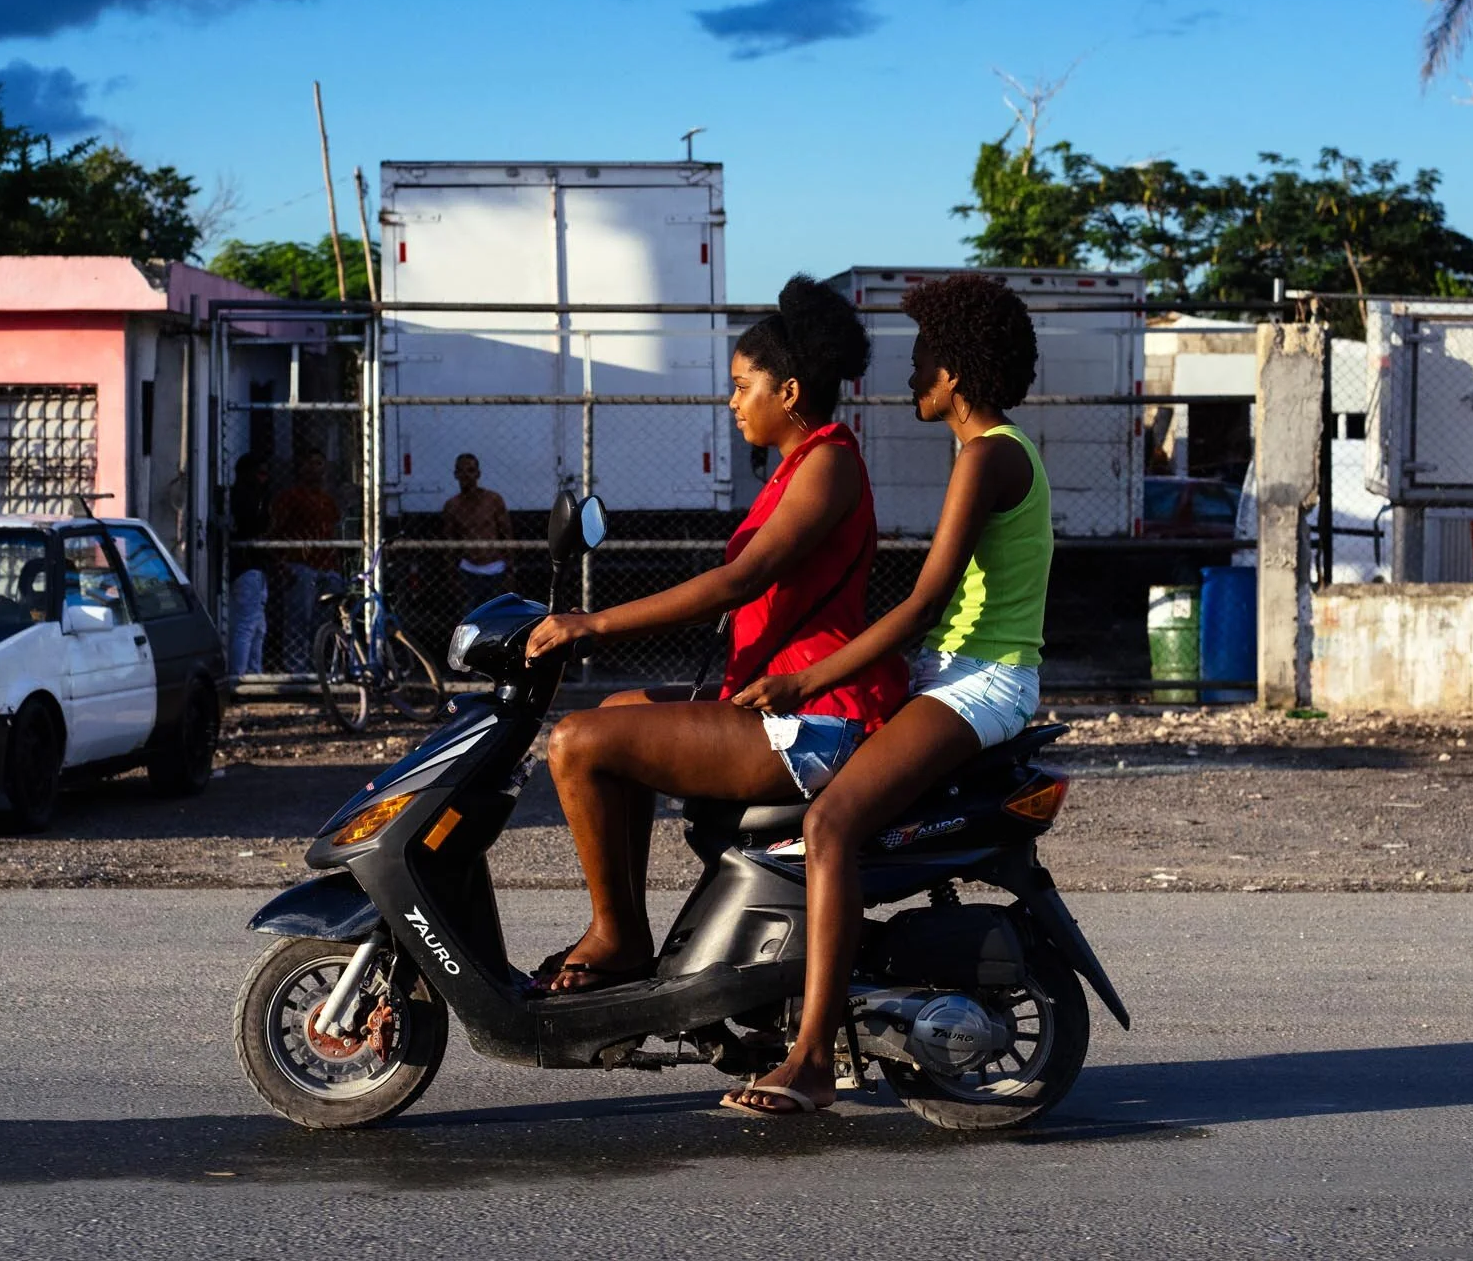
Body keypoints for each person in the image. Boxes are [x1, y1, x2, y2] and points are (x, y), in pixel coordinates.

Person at [524, 276, 907, 993]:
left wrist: (594, 621)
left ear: (788, 392)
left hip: (817, 715)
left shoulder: (827, 464)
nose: (732, 402)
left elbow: (738, 582)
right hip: (776, 697)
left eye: (741, 386)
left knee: (574, 742)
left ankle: (616, 936)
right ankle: (624, 930)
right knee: (615, 713)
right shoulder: (799, 466)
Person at [723, 272, 1048, 1116]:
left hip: (982, 684)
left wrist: (807, 677)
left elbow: (924, 602)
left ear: (957, 372)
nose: (912, 374)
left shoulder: (988, 456)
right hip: (952, 673)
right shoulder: (990, 452)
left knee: (832, 823)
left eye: (924, 358)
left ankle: (811, 1061)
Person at [270, 449, 342, 672]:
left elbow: (332, 531)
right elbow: (275, 530)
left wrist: (336, 565)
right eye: (310, 464)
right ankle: (296, 667)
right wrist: (282, 564)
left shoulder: (327, 501)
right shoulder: (290, 497)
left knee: (323, 621)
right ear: (300, 468)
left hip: (326, 566)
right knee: (299, 619)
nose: (315, 469)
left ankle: (317, 664)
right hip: (300, 565)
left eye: (319, 464)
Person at [442, 454, 514, 617]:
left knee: (497, 619)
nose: (466, 475)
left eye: (470, 470)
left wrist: (510, 571)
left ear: (478, 474)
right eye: (461, 471)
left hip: (495, 570)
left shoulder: (493, 500)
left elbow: (507, 535)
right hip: (468, 571)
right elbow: (449, 544)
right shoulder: (452, 506)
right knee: (470, 620)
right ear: (455, 475)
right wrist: (452, 576)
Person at [226, 452, 274, 678]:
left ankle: (254, 673)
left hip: (256, 567)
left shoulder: (254, 498)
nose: (264, 479)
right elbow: (254, 526)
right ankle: (239, 675)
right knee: (246, 625)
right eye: (260, 474)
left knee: (258, 627)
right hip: (247, 567)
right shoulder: (246, 499)